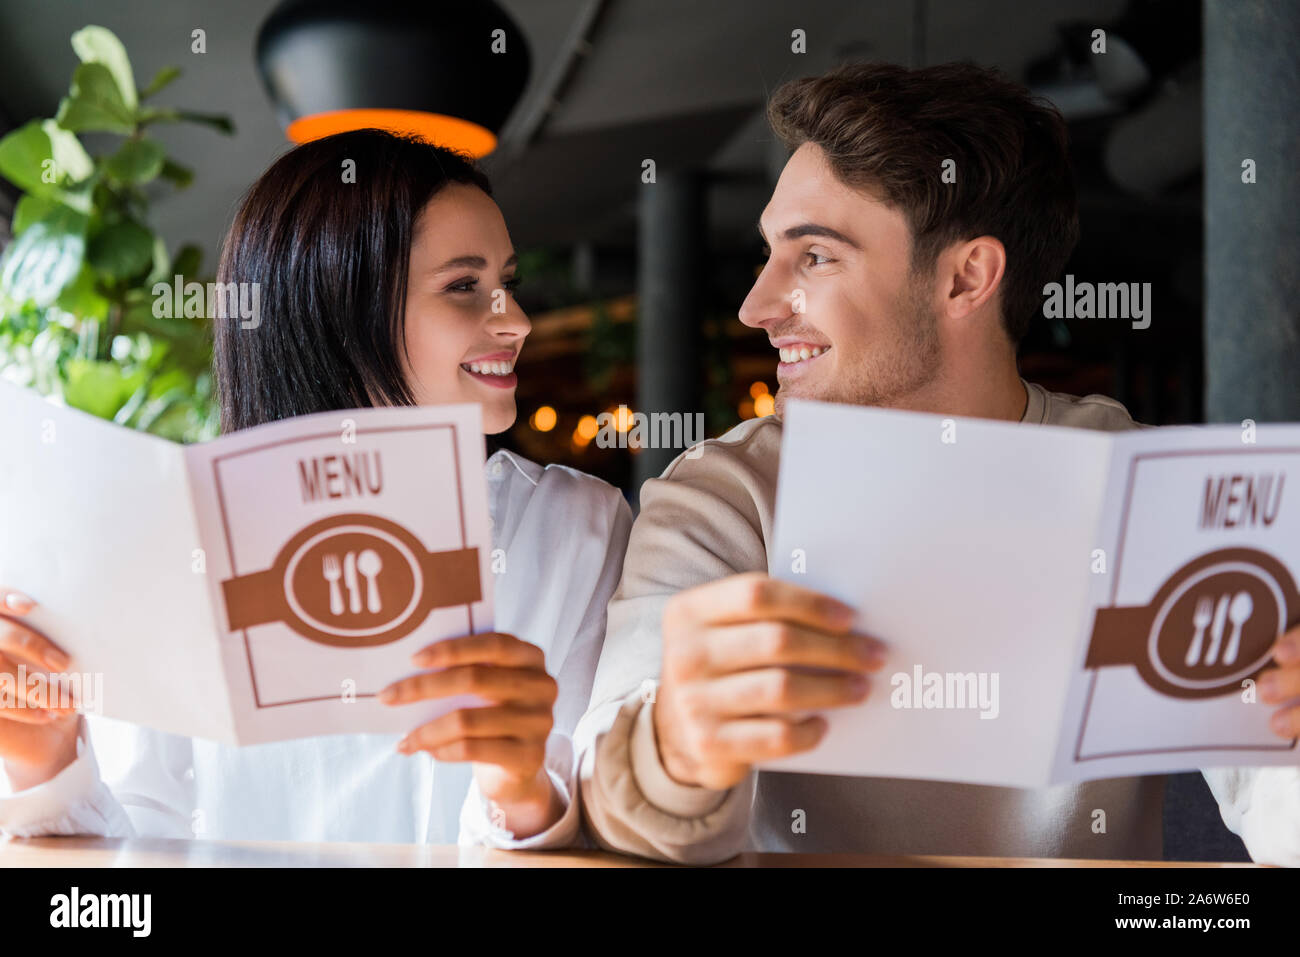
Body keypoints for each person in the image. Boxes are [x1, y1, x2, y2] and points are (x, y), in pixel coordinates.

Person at [568, 62, 1300, 864]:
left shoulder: (1147, 492)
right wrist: (672, 747)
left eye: (814, 257)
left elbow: (1276, 799)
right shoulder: (726, 495)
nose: (757, 306)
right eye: (770, 253)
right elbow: (616, 801)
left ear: (966, 277)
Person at [0, 130, 631, 848]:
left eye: (506, 284)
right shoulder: (173, 534)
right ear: (340, 310)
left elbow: (616, 831)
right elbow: (139, 849)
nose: (515, 320)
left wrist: (519, 785)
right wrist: (44, 758)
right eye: (465, 286)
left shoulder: (573, 526)